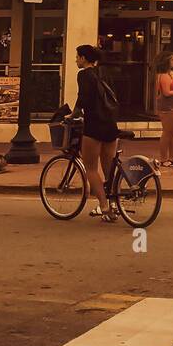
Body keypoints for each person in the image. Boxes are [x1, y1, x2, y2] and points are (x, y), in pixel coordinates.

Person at [74, 44, 121, 220]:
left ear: (84, 58)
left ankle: (104, 207)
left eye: (78, 57)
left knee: (91, 169)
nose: (76, 60)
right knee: (109, 170)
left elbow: (83, 98)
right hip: (110, 125)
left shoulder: (84, 74)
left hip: (94, 125)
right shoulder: (105, 73)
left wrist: (73, 114)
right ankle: (115, 205)